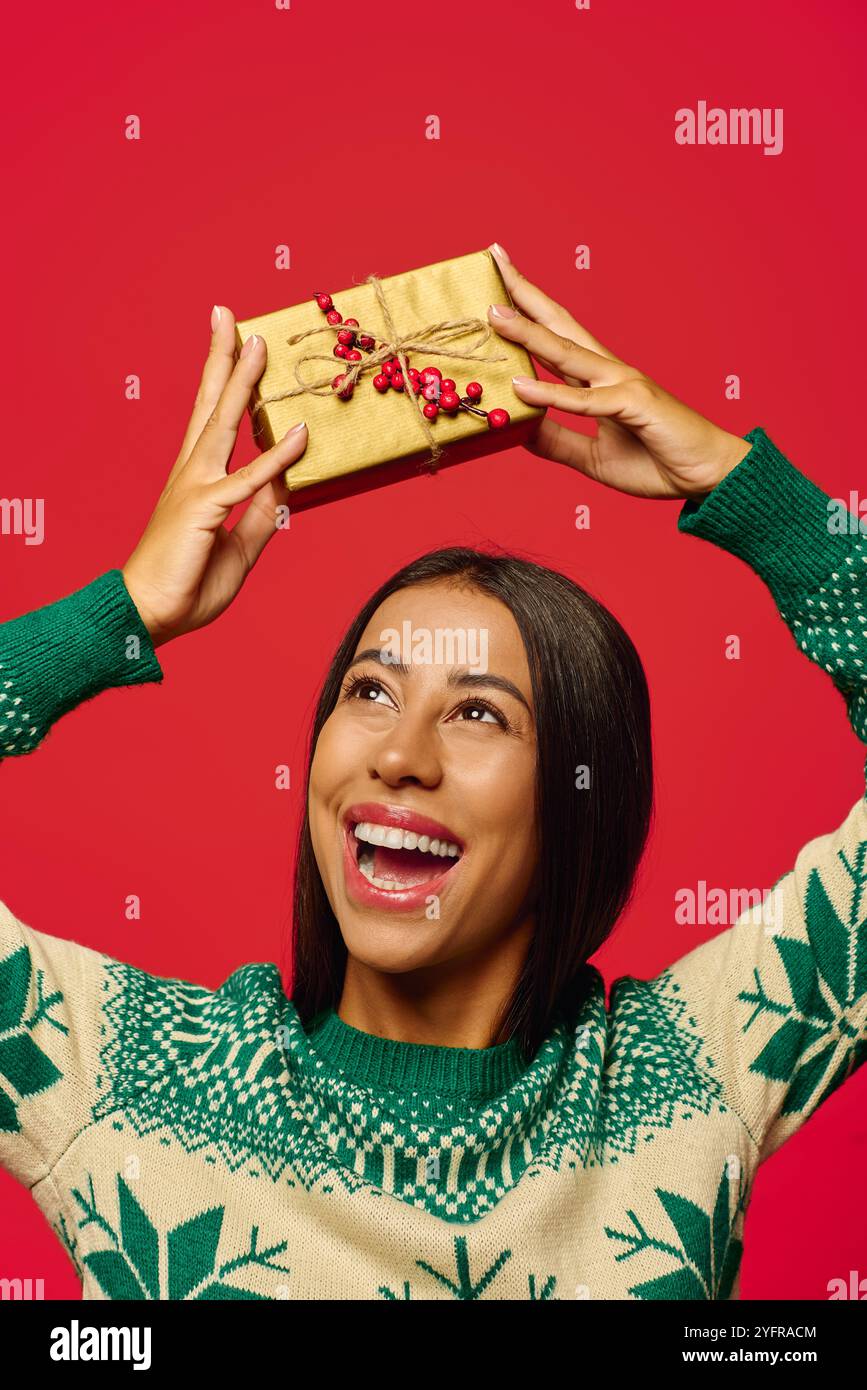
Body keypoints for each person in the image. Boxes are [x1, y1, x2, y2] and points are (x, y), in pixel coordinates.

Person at [1, 244, 865, 1302]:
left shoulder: (697, 1065)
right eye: (370, 691)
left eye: (477, 713)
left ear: (578, 801)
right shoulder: (116, 1072)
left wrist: (743, 488)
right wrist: (119, 616)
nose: (400, 758)